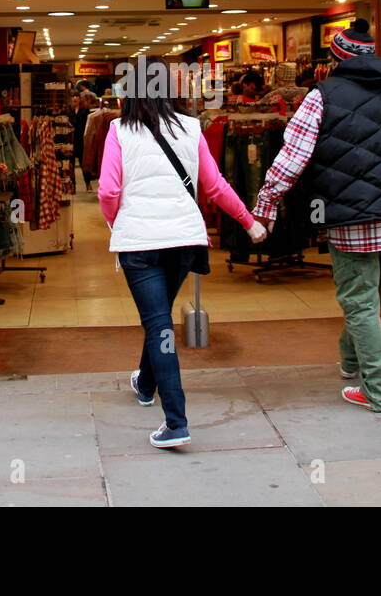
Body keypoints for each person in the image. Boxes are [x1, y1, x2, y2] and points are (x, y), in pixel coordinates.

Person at [254, 19, 381, 413]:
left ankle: (376, 392)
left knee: (359, 301)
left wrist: (266, 203)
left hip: (349, 217)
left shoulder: (323, 95)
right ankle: (351, 362)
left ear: (336, 58)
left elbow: (293, 157)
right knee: (368, 295)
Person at [99, 57, 267, 448]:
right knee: (158, 319)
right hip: (184, 240)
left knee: (158, 324)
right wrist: (249, 221)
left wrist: (114, 222)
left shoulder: (119, 130)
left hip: (140, 243)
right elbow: (216, 186)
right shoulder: (192, 128)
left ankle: (176, 421)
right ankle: (145, 383)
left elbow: (108, 191)